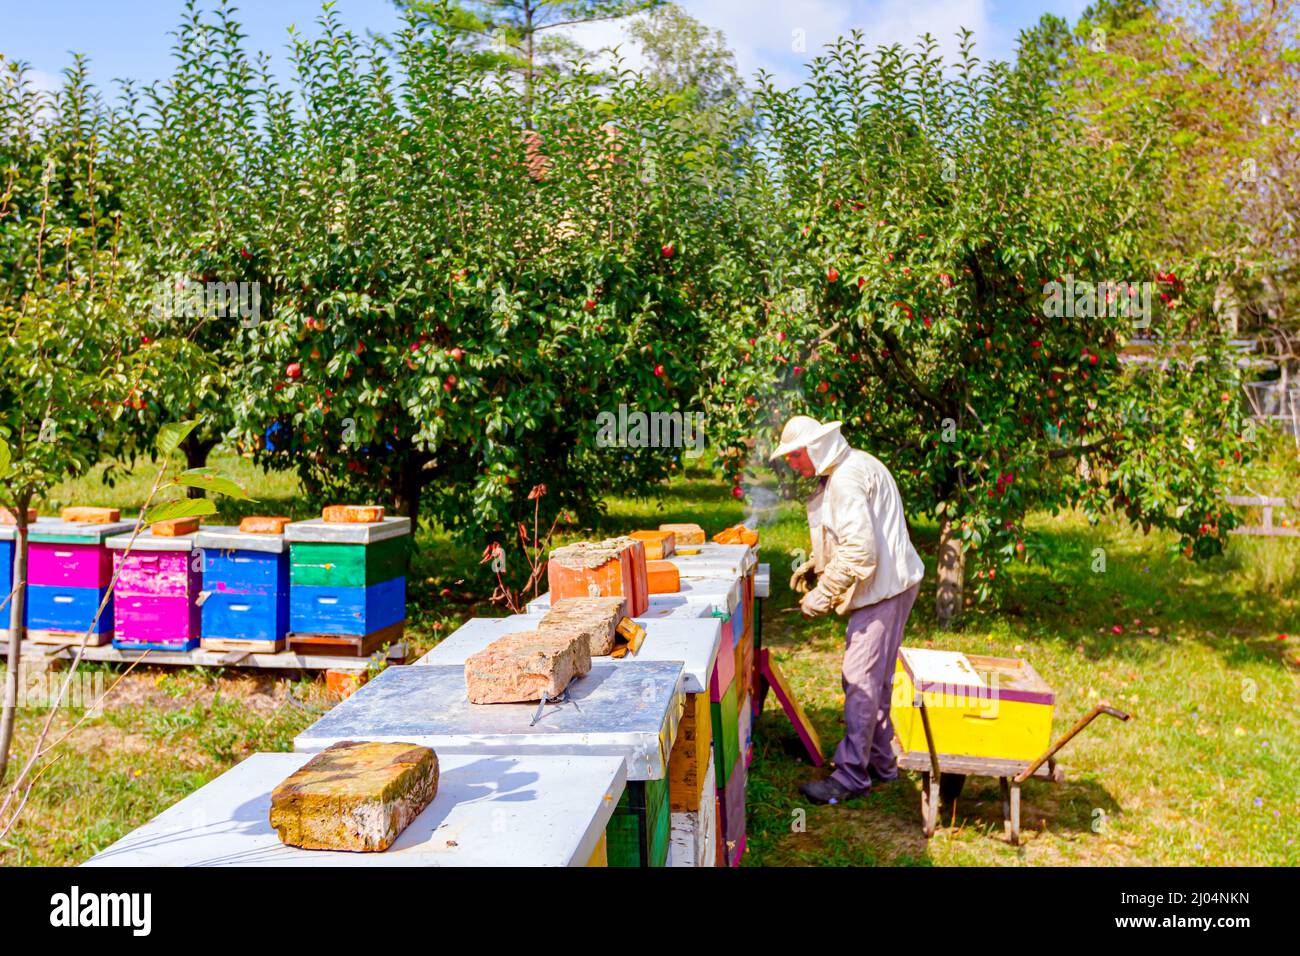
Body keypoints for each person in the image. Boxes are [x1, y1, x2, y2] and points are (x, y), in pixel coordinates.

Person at [771, 415, 925, 804]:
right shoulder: (857, 464)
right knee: (876, 679)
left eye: (795, 455)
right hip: (896, 583)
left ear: (816, 448)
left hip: (884, 590)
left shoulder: (846, 480)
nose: (792, 463)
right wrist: (817, 564)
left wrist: (823, 594)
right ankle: (882, 764)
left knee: (859, 679)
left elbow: (860, 552)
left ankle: (852, 776)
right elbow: (852, 535)